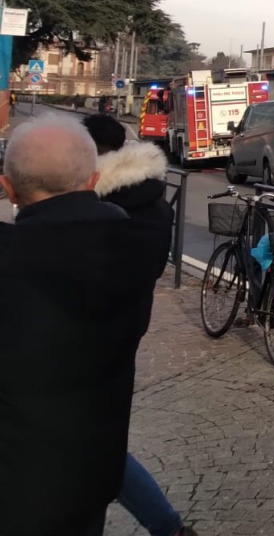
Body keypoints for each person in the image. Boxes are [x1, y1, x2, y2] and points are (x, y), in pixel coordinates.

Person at [0, 114, 161, 536]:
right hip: (89, 482)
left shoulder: (13, 260)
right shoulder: (132, 256)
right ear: (92, 180)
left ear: (9, 189)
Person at [82, 114, 197, 536]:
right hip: (125, 331)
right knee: (97, 445)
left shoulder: (100, 205)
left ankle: (168, 528)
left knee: (91, 446)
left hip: (87, 339)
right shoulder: (147, 196)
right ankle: (169, 528)